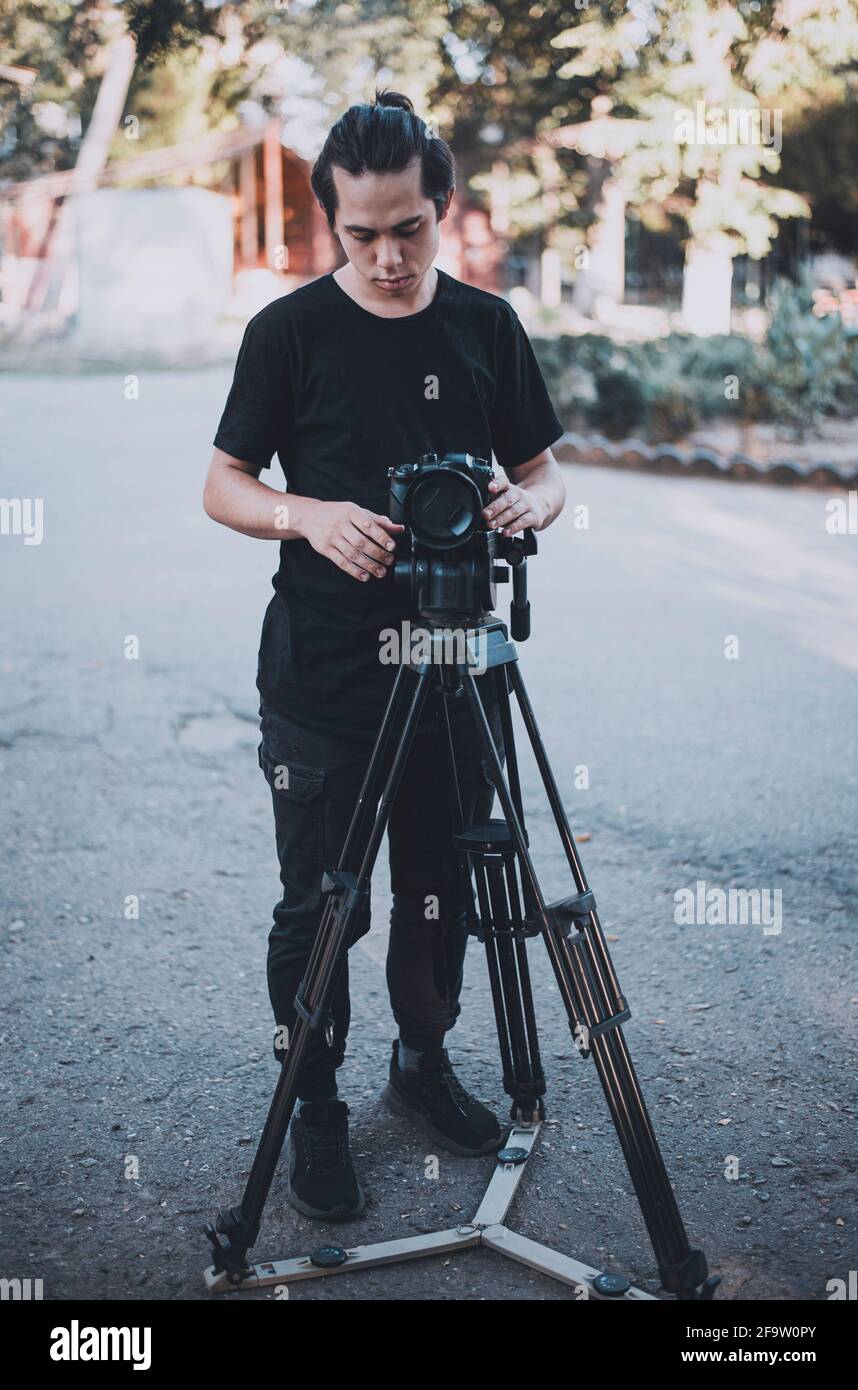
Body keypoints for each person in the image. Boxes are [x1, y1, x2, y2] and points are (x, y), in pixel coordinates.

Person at [203, 90, 565, 1222]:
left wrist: (525, 501)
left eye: (408, 229)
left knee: (437, 892)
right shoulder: (287, 331)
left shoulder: (486, 326)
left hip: (458, 667)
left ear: (441, 209)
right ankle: (314, 1103)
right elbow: (221, 487)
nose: (388, 255)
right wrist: (305, 515)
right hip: (322, 678)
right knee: (321, 905)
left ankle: (419, 1062)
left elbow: (550, 474)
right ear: (329, 222)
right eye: (361, 234)